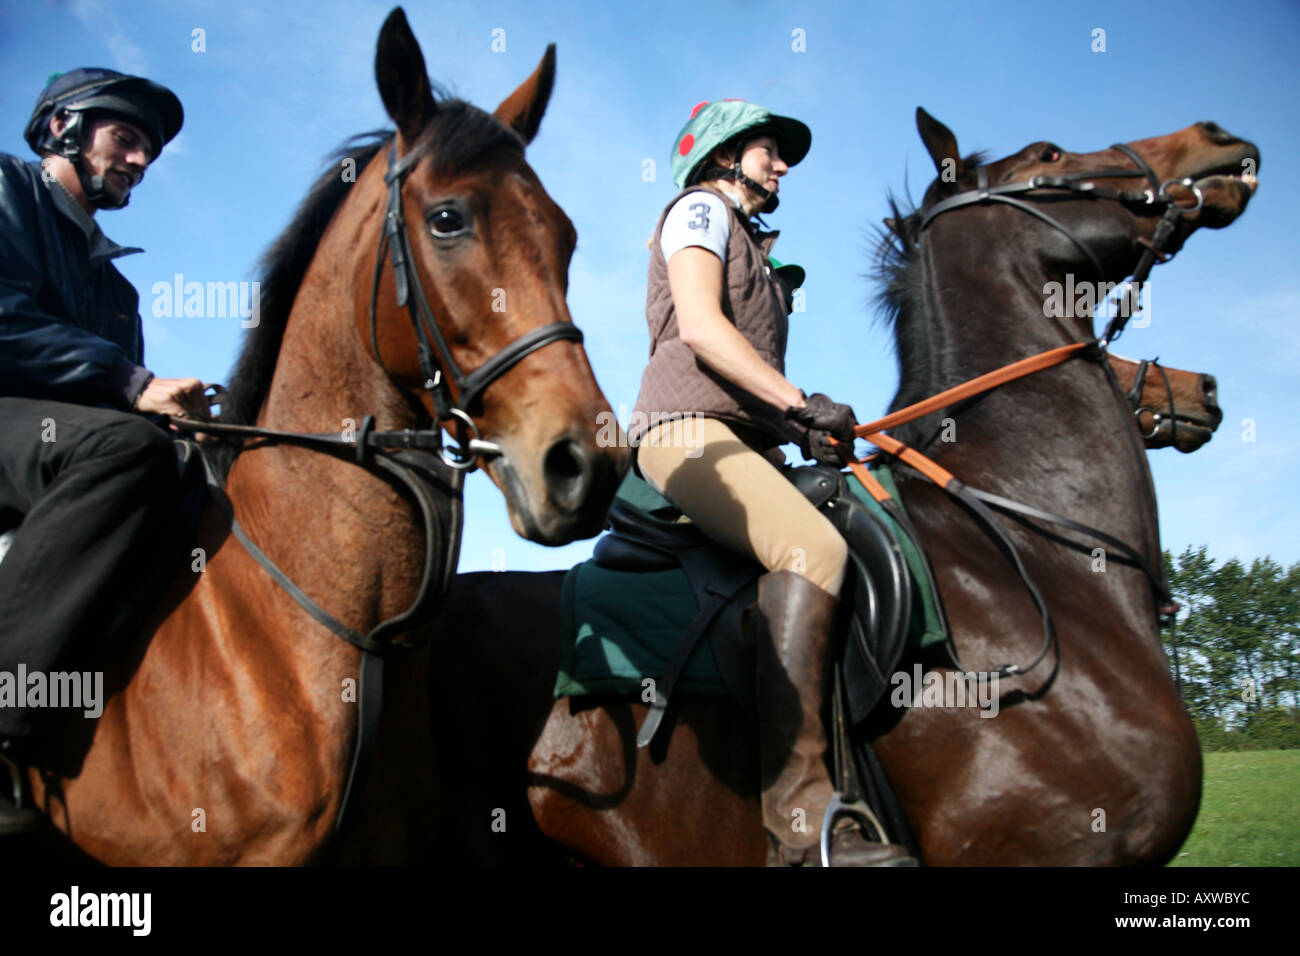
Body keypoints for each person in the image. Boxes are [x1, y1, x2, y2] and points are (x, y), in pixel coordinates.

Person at [628, 100, 912, 866]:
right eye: (766, 151)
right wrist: (800, 404)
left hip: (747, 438)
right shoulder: (697, 210)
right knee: (812, 552)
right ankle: (800, 826)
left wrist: (807, 427)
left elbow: (754, 382)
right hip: (683, 435)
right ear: (722, 156)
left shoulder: (752, 239)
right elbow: (700, 328)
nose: (781, 165)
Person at [0, 68, 208, 834]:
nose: (140, 161)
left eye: (148, 151)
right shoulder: (5, 190)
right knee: (129, 451)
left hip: (63, 446)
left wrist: (178, 424)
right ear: (62, 127)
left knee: (186, 474)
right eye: (126, 138)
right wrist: (132, 383)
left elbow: (120, 407)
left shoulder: (120, 294)